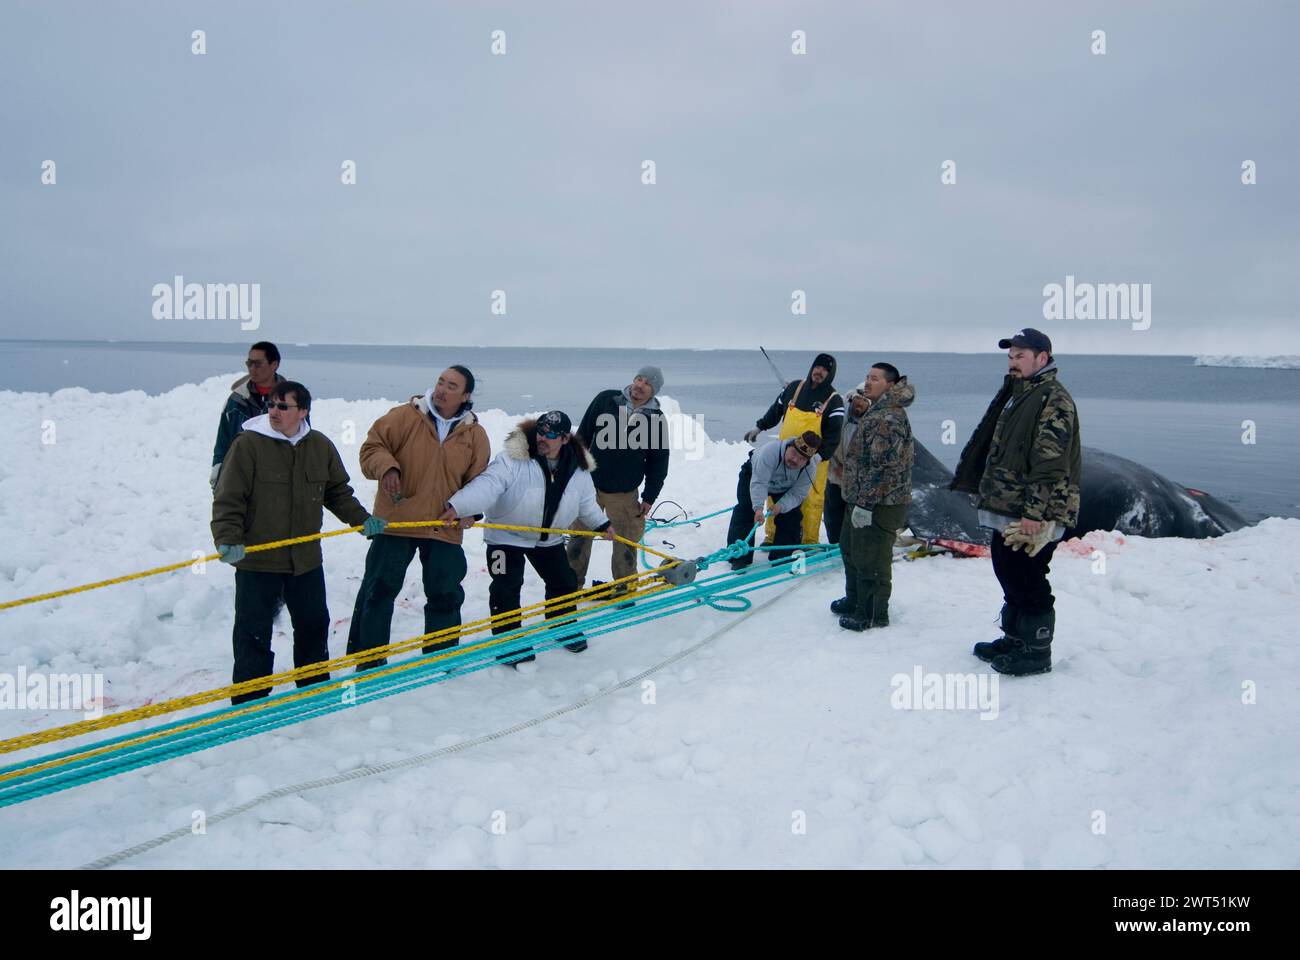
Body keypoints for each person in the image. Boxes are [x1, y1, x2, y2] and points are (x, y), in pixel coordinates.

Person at [211, 381, 382, 704]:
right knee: (253, 632)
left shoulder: (319, 446)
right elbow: (228, 499)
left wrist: (361, 520)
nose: (274, 411)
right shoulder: (248, 446)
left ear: (302, 411)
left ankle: (314, 688)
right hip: (258, 561)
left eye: (283, 406)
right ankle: (250, 697)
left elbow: (337, 492)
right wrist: (227, 540)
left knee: (314, 624)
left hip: (304, 560)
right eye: (272, 405)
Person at [951, 329, 1081, 676]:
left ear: (1043, 357)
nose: (1013, 362)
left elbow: (1050, 462)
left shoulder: (1053, 399)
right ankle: (1014, 637)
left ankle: (1036, 649)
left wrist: (1034, 515)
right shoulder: (1019, 394)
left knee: (1028, 576)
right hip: (1007, 505)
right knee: (1007, 571)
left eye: (1020, 356)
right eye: (1010, 356)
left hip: (1033, 511)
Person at [346, 366, 490, 668]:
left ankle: (441, 657)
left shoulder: (474, 434)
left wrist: (470, 511)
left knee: (446, 593)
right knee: (378, 590)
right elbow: (371, 449)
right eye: (440, 382)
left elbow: (480, 482)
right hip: (397, 521)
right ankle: (368, 660)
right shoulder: (403, 416)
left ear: (465, 395)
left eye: (451, 386)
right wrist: (387, 467)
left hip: (443, 525)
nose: (442, 389)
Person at [444, 411, 613, 666]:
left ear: (565, 438)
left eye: (551, 434)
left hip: (548, 539)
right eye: (540, 431)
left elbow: (586, 502)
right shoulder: (512, 459)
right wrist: (460, 506)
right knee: (505, 586)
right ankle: (509, 643)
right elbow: (488, 486)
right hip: (504, 537)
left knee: (563, 582)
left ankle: (562, 626)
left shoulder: (578, 469)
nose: (543, 438)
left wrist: (602, 524)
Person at [567, 366, 670, 598]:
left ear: (654, 391)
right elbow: (582, 436)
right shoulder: (606, 400)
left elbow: (659, 459)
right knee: (578, 538)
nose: (640, 385)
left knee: (626, 542)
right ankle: (570, 588)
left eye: (647, 383)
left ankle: (625, 588)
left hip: (624, 493)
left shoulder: (655, 418)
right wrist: (573, 473)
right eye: (638, 379)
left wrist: (650, 496)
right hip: (589, 487)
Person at [833, 364, 915, 631]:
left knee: (871, 557)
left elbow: (883, 467)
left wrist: (866, 505)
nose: (868, 382)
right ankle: (855, 599)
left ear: (890, 385)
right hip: (860, 496)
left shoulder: (888, 418)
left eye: (875, 379)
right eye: (867, 377)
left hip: (880, 502)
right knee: (851, 549)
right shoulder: (876, 410)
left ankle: (872, 613)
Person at [744, 353, 844, 547]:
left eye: (825, 369)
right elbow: (776, 411)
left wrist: (817, 457)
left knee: (809, 500)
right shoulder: (793, 388)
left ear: (830, 374)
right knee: (775, 495)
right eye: (818, 366)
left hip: (812, 461)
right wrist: (759, 427)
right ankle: (772, 537)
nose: (819, 371)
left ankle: (808, 542)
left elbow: (833, 438)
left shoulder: (834, 400)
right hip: (785, 456)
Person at [725, 432, 822, 570]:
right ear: (788, 446)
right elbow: (759, 482)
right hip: (754, 475)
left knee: (792, 516)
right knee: (745, 511)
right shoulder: (770, 452)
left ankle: (783, 557)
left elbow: (797, 494)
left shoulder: (810, 468)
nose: (795, 460)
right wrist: (758, 508)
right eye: (794, 453)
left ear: (807, 461)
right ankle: (739, 557)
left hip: (785, 485)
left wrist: (781, 506)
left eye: (801, 459)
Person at [211, 341, 285, 490]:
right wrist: (218, 479)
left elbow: (303, 443)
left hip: (278, 484)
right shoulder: (235, 401)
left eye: (258, 364)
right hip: (238, 481)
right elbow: (222, 444)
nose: (252, 369)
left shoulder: (291, 402)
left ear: (274, 364)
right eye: (249, 363)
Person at [824, 379, 871, 546]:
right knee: (831, 514)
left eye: (865, 402)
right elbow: (827, 436)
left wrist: (850, 471)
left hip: (857, 481)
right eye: (858, 399)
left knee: (852, 516)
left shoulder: (874, 423)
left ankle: (852, 546)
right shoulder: (840, 412)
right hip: (834, 473)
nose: (859, 404)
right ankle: (834, 545)